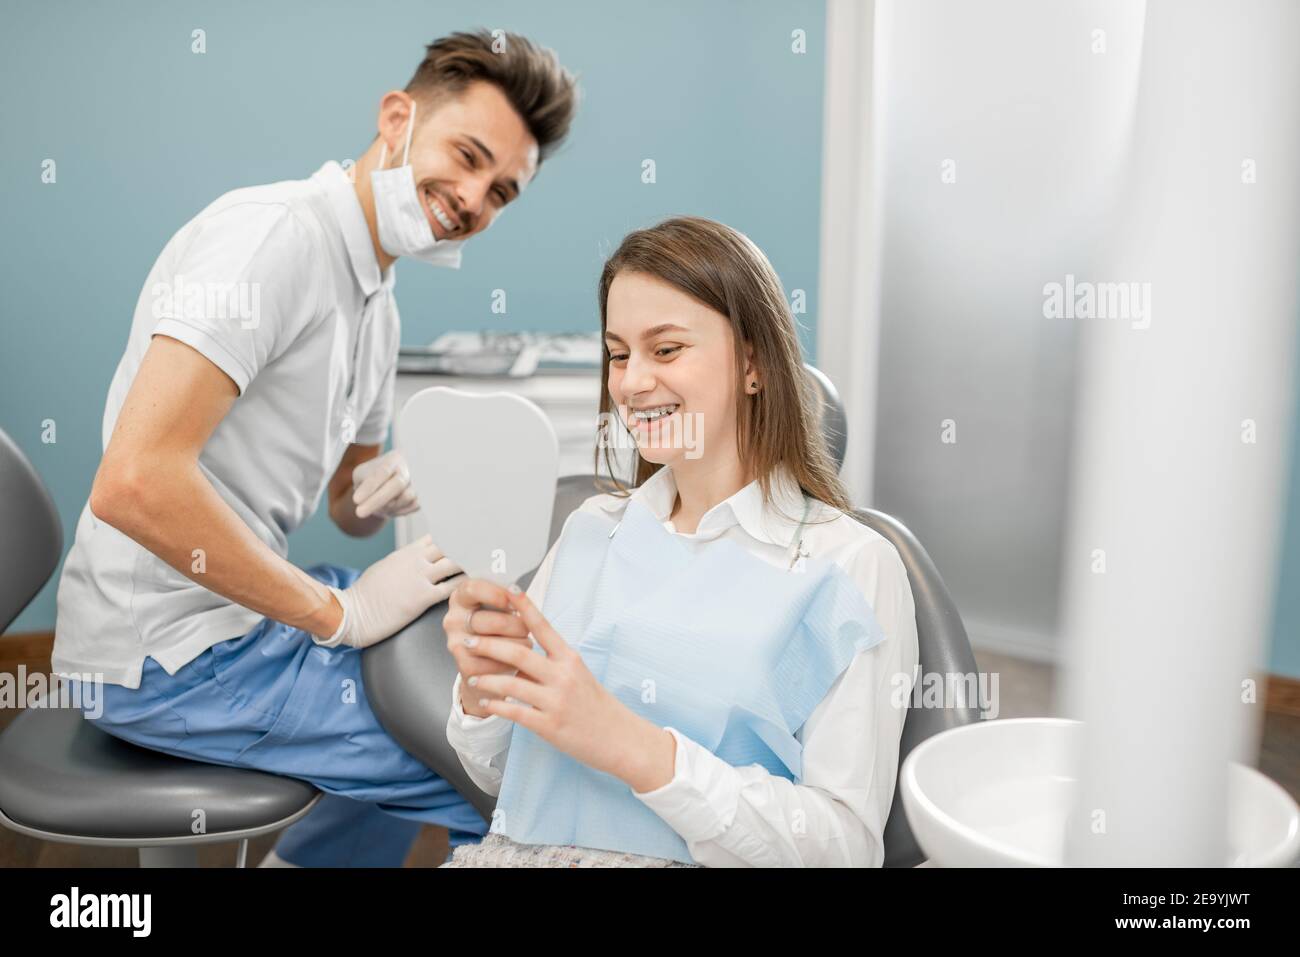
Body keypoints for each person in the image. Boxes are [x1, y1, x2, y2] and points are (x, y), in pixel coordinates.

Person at [52, 29, 579, 867]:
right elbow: (135, 481)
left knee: (455, 664)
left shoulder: (380, 301)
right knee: (509, 768)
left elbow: (346, 508)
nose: (475, 197)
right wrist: (339, 614)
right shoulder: (272, 241)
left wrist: (389, 486)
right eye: (468, 155)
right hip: (166, 651)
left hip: (234, 615)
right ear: (397, 117)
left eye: (503, 191)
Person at [439, 217, 920, 867]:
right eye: (618, 353)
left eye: (665, 350)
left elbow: (843, 846)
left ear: (753, 363)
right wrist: (482, 685)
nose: (632, 382)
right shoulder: (592, 529)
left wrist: (637, 749)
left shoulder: (850, 567)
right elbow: (499, 774)